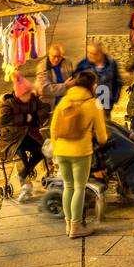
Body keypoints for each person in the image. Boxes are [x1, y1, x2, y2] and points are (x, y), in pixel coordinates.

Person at [49, 69, 109, 239]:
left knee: (68, 186)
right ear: (91, 85)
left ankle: (69, 225)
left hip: (61, 150)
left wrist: (55, 150)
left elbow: (53, 129)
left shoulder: (64, 100)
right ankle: (76, 226)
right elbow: (102, 137)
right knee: (79, 188)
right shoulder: (93, 103)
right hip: (81, 152)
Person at [0, 73, 48, 202]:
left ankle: (23, 173)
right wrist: (24, 118)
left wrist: (36, 116)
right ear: (19, 94)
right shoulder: (8, 104)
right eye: (26, 94)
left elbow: (44, 108)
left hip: (29, 134)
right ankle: (25, 185)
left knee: (42, 150)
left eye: (30, 93)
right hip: (12, 138)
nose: (29, 96)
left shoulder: (33, 100)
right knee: (20, 155)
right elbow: (3, 120)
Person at [76, 42, 122, 117]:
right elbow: (76, 83)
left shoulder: (111, 63)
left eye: (94, 53)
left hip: (105, 103)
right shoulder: (83, 65)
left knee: (105, 125)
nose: (90, 55)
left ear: (100, 53)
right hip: (87, 103)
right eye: (89, 53)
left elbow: (117, 82)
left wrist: (114, 98)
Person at [34, 43, 75, 108]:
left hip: (67, 96)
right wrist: (65, 86)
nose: (56, 59)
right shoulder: (42, 67)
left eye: (59, 56)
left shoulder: (67, 62)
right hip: (50, 100)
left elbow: (73, 78)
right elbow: (43, 89)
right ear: (49, 55)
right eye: (54, 56)